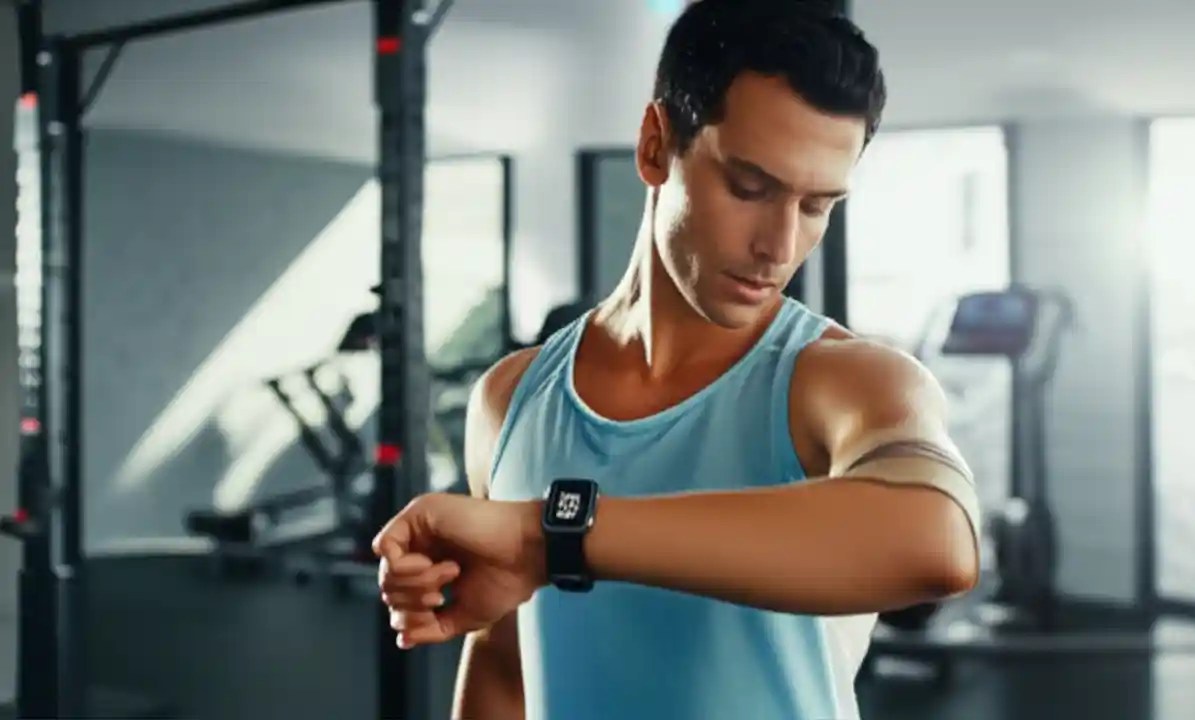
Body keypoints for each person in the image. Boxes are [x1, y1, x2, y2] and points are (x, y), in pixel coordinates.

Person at [372, 1, 982, 718]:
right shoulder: (511, 400)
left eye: (817, 205)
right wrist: (525, 550)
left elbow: (937, 538)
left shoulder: (844, 381)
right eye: (750, 188)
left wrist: (547, 537)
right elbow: (506, 665)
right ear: (656, 145)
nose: (780, 247)